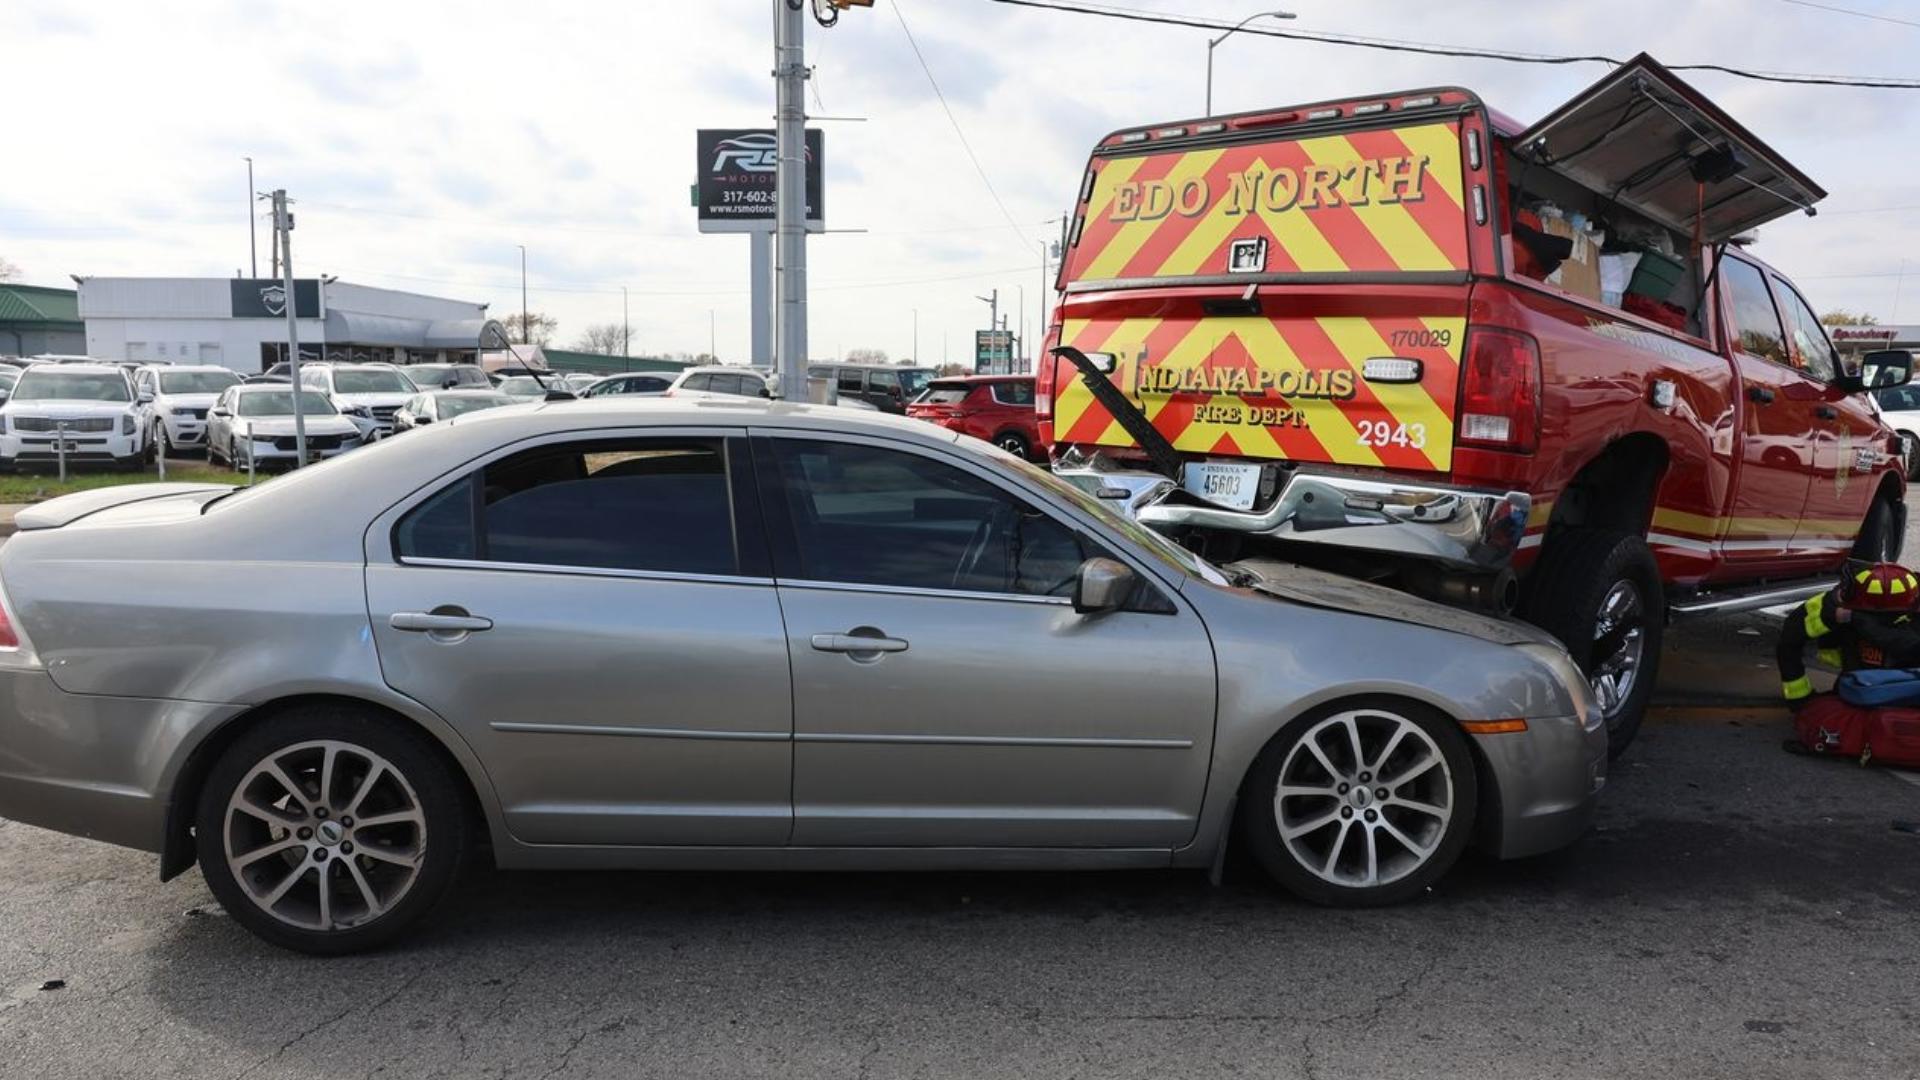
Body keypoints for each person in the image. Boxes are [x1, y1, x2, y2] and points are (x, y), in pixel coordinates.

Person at [1778, 562, 1920, 708]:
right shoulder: (1836, 604)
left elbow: (1911, 646)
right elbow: (1790, 638)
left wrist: (1859, 621)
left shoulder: (1851, 612)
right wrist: (1799, 698)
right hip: (1854, 686)